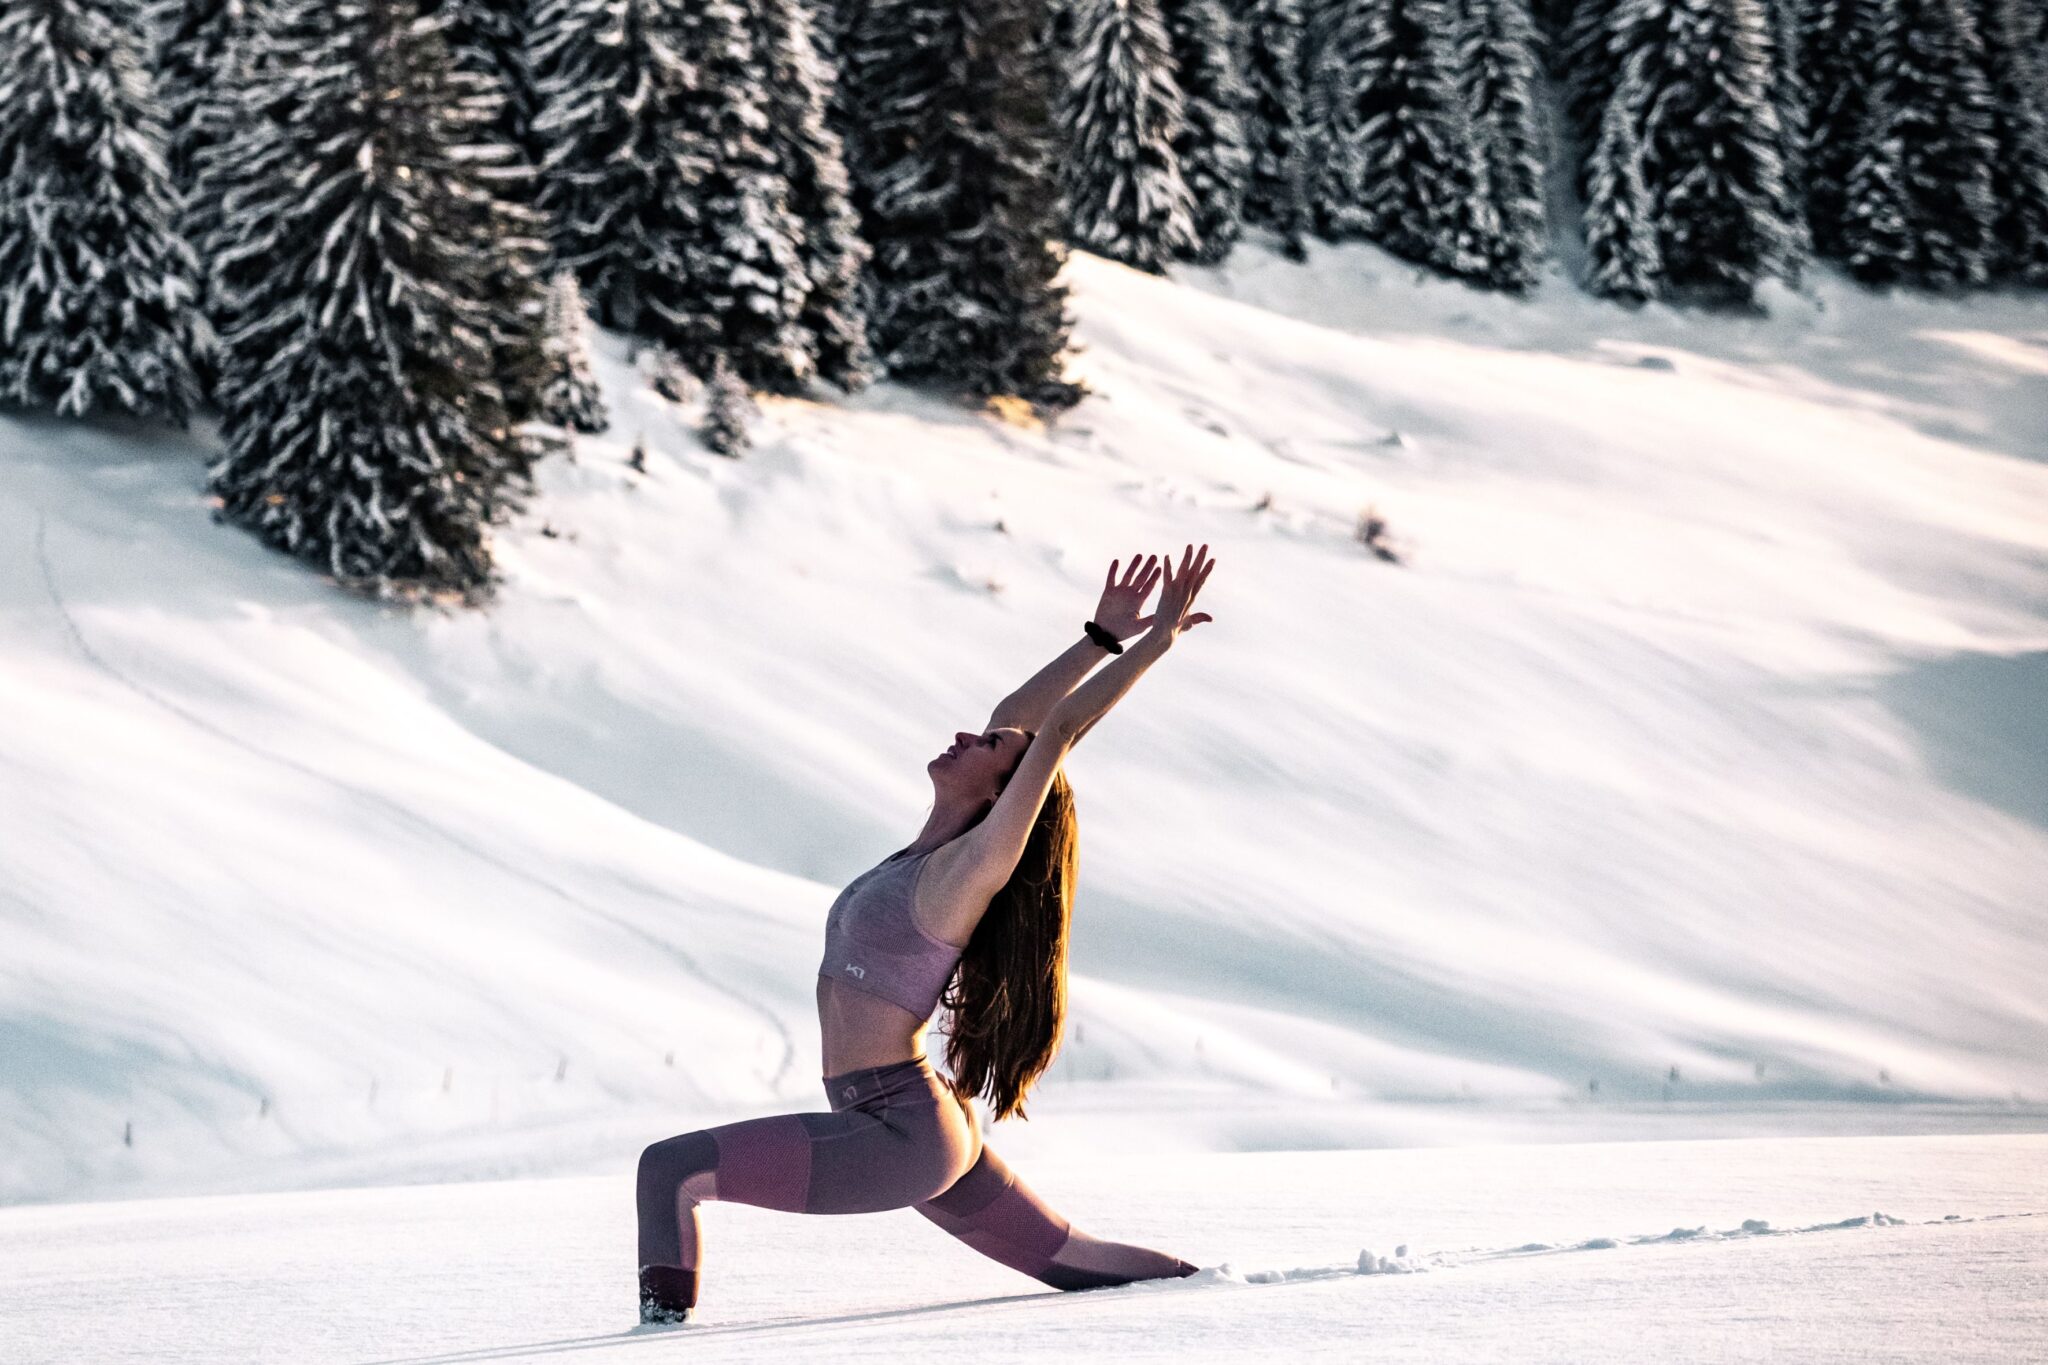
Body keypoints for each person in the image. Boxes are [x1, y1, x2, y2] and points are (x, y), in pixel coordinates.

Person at [636, 543, 1219, 1323]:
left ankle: (651, 1341)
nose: (975, 734)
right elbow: (1023, 718)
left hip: (900, 1130)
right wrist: (1097, 637)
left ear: (1006, 791)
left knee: (671, 1168)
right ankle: (1218, 1296)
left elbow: (1056, 733)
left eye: (991, 749)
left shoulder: (968, 871)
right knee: (1071, 1257)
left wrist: (1155, 644)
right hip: (902, 1121)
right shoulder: (926, 856)